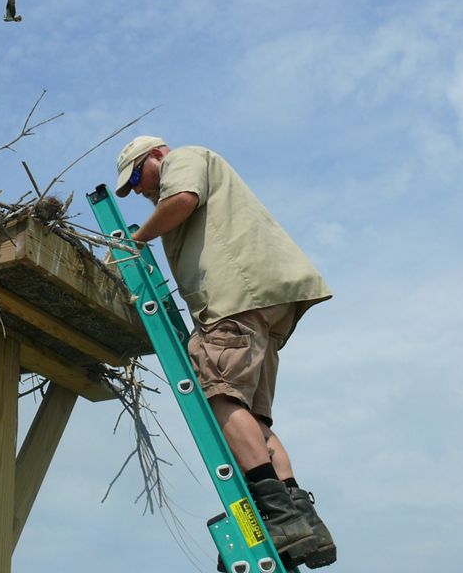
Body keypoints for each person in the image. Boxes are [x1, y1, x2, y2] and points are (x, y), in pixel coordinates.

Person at [114, 135, 336, 569]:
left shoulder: (185, 159)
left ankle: (277, 515)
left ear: (157, 154)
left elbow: (181, 198)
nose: (138, 189)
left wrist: (134, 241)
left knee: (217, 396)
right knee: (253, 420)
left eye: (137, 176)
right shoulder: (196, 168)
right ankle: (303, 523)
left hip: (235, 297)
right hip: (265, 305)